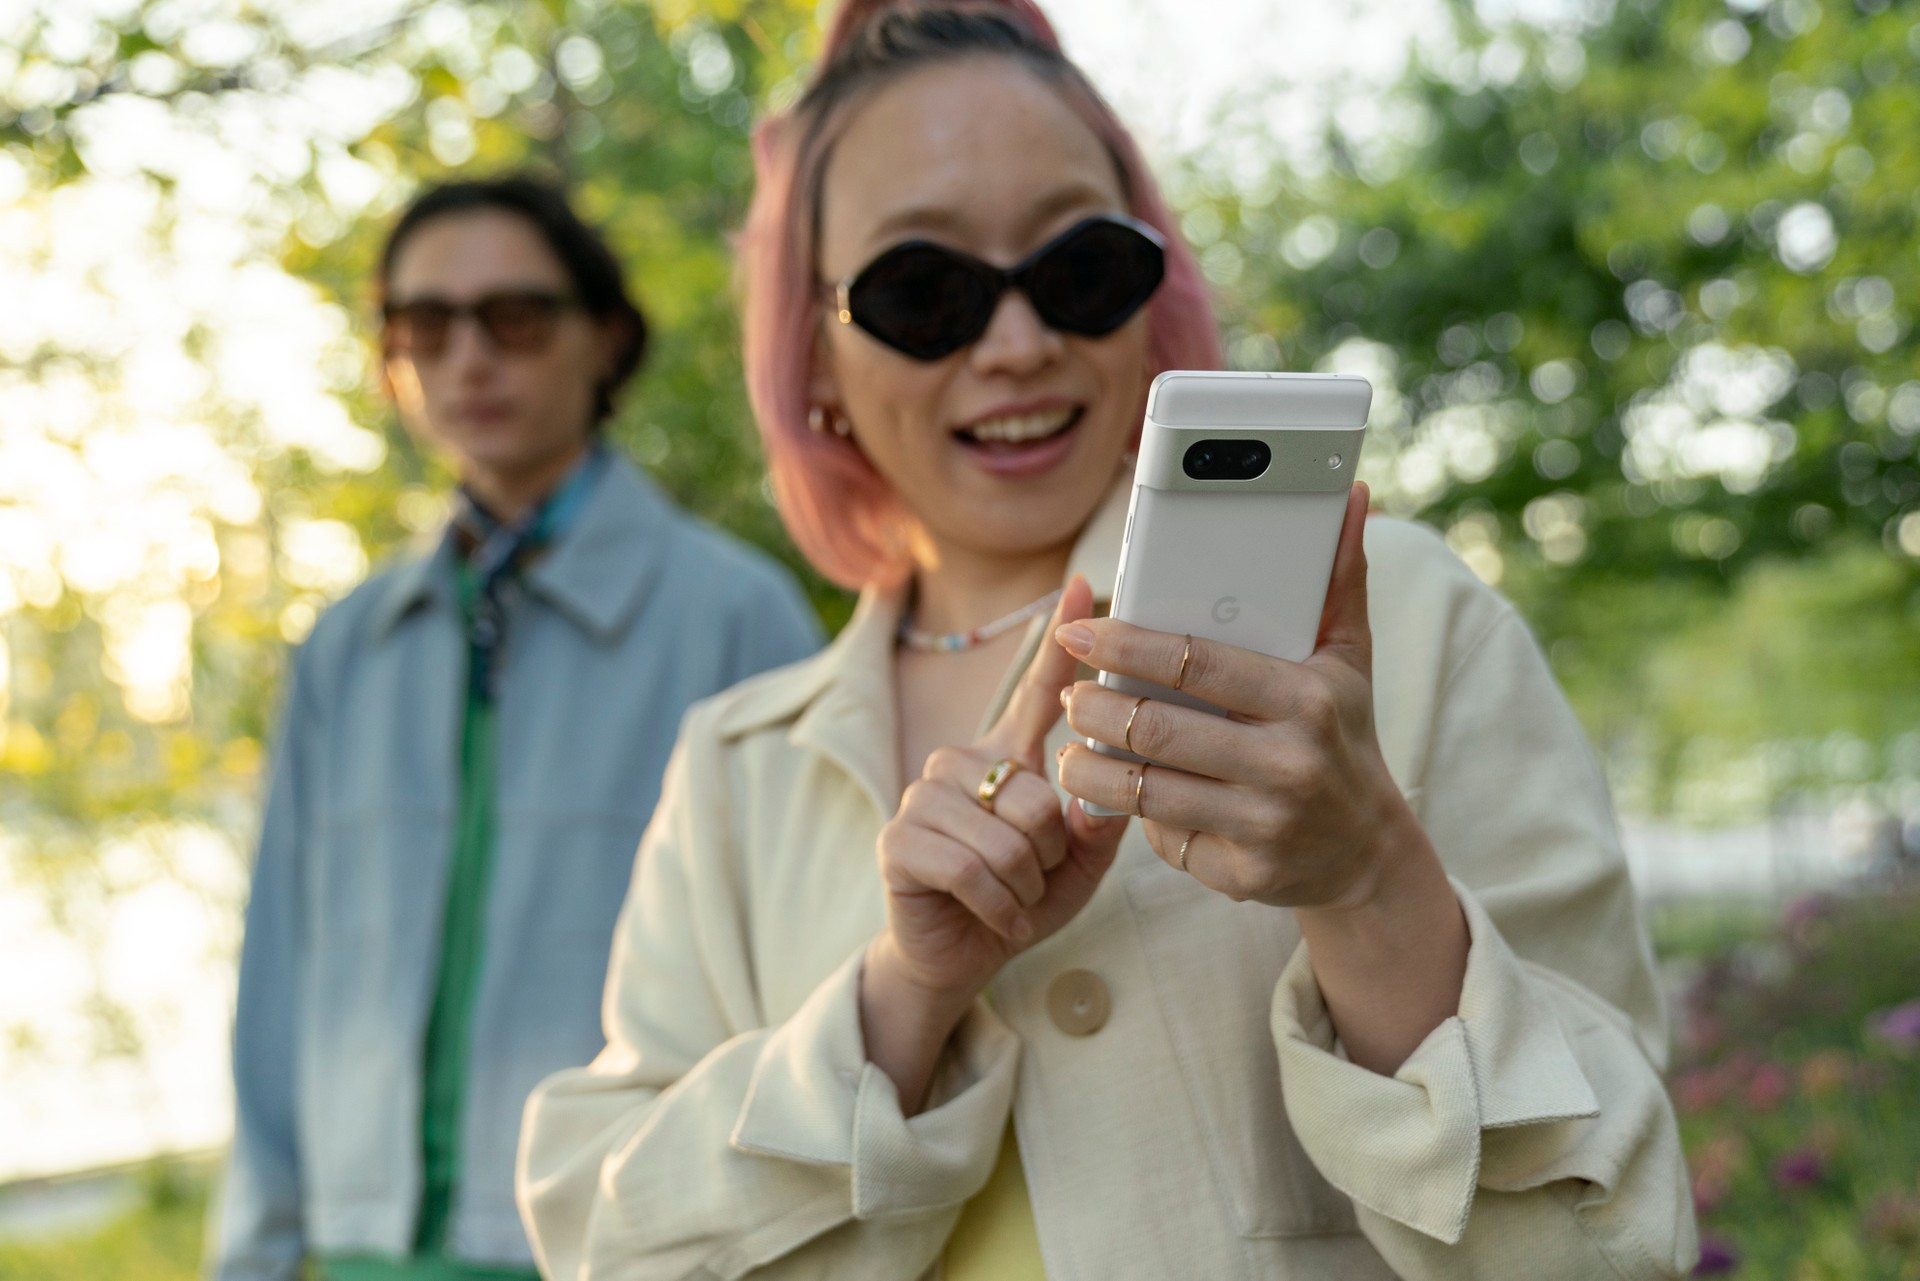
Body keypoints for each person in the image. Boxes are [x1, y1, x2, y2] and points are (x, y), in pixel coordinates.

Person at [516, 4, 1697, 1278]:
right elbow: (608, 1238)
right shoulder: (736, 770)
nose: (1018, 346)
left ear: (1156, 297)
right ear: (814, 350)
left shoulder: (1394, 618)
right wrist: (904, 1000)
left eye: (1082, 269)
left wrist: (1365, 884)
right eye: (927, 294)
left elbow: (1608, 1243)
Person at [211, 176, 823, 1281]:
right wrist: (254, 1254)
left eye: (516, 318)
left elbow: (802, 1004)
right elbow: (277, 978)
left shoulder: (740, 619)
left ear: (605, 341)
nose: (468, 359)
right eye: (424, 326)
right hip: (363, 1251)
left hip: (631, 1244)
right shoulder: (345, 648)